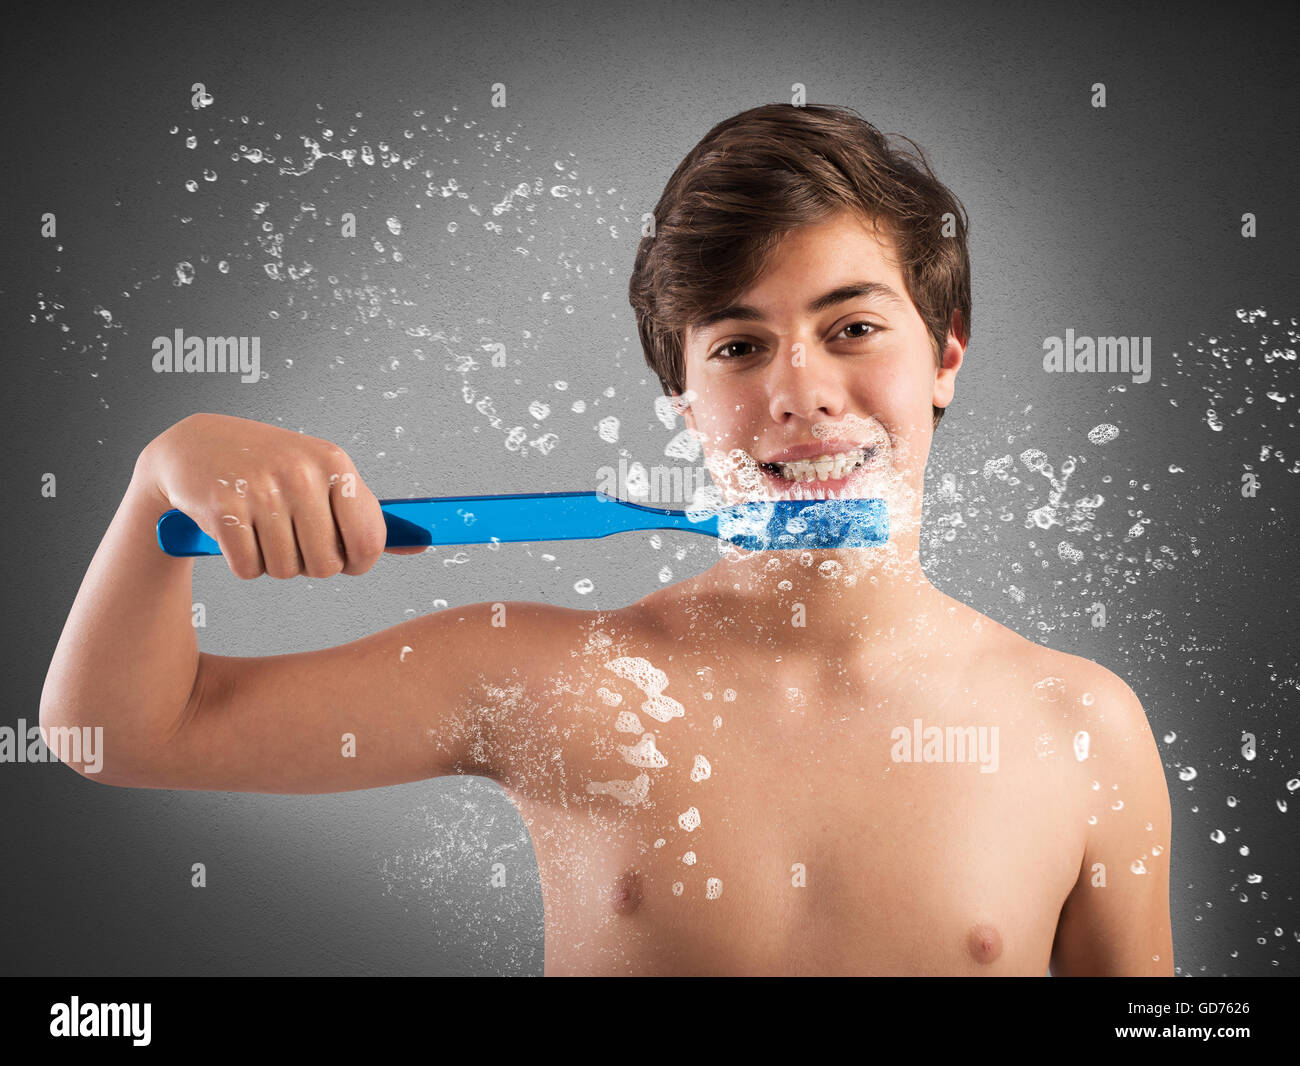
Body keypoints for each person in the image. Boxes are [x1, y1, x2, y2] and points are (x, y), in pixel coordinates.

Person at [40, 103, 1173, 976]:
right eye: (736, 346)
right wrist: (159, 490)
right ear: (680, 398)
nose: (801, 391)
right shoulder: (556, 679)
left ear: (946, 354)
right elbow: (119, 733)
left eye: (854, 327)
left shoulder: (1081, 726)